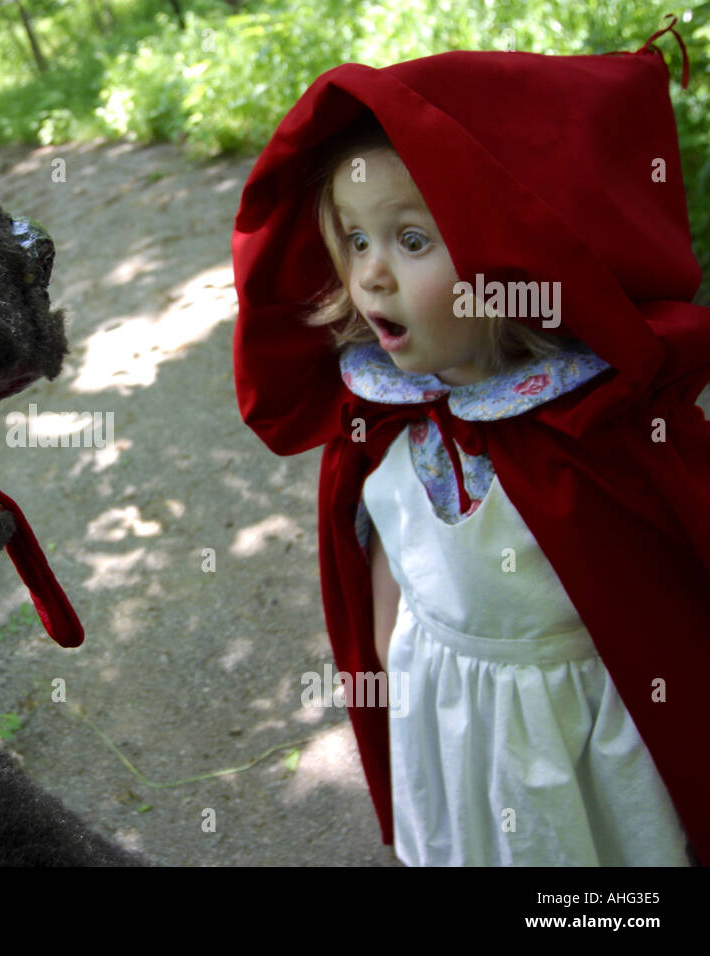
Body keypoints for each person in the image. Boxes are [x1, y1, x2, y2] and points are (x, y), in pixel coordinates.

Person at [232, 20, 710, 865]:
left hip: (591, 738)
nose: (372, 272)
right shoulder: (383, 436)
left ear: (512, 260)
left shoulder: (598, 435)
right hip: (457, 734)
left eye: (413, 240)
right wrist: (417, 706)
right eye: (355, 238)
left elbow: (668, 594)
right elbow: (382, 616)